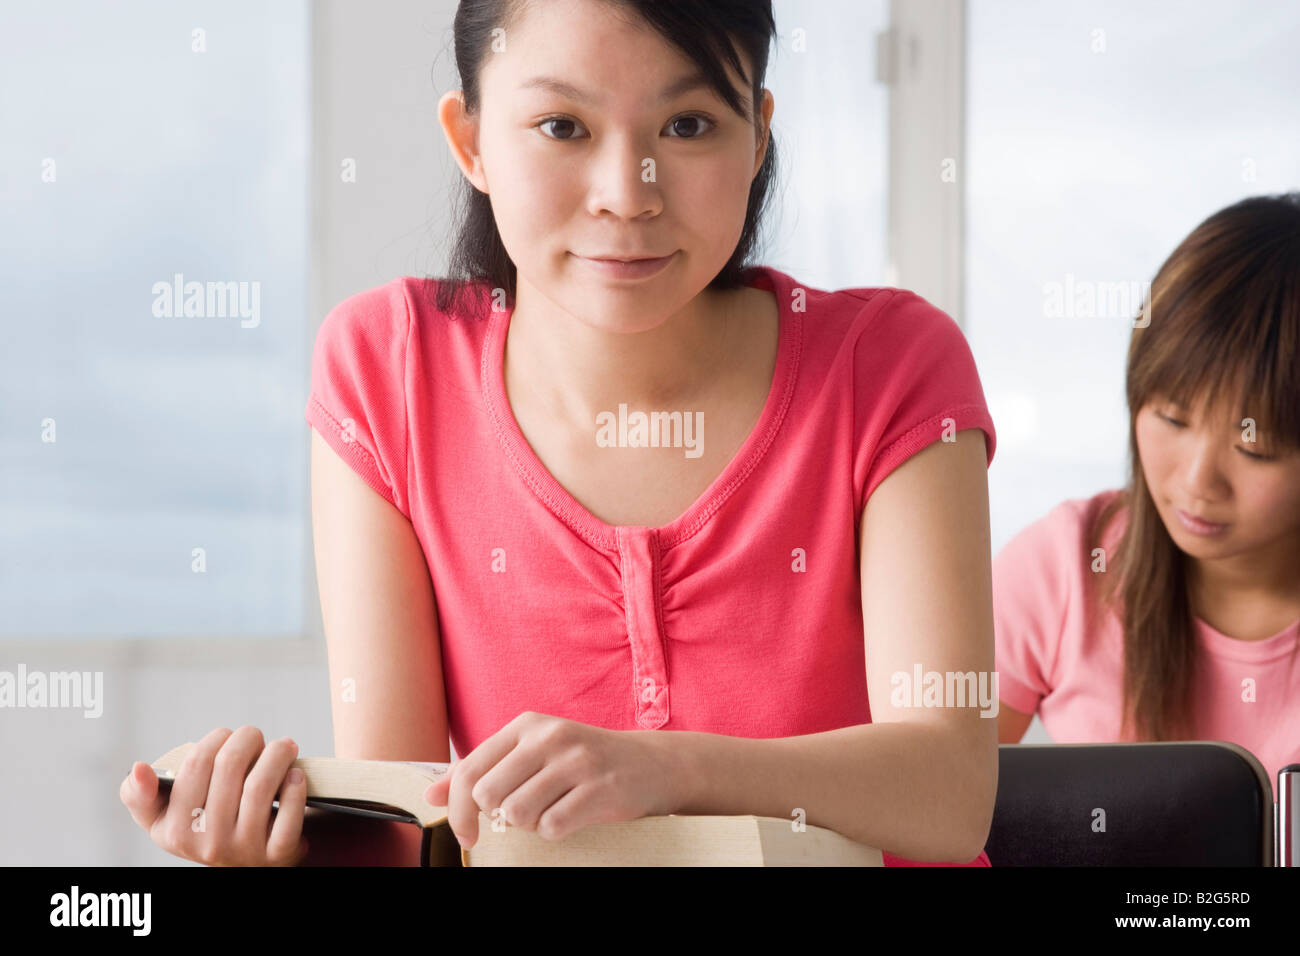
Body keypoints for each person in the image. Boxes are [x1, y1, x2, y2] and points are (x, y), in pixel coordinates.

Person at [122, 0, 999, 866]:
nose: (628, 194)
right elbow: (408, 834)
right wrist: (289, 855)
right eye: (561, 126)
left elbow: (949, 792)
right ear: (470, 142)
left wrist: (667, 767)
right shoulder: (386, 369)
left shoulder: (890, 363)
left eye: (689, 123)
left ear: (759, 136)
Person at [994, 193, 1300, 788]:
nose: (1195, 483)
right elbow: (928, 808)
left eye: (1253, 448)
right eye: (1171, 418)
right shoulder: (1066, 566)